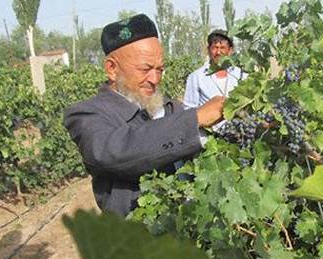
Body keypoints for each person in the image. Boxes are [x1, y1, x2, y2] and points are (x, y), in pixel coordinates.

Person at [64, 14, 225, 217]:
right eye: (145, 69)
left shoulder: (170, 107)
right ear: (112, 68)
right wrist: (195, 119)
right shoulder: (87, 114)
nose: (155, 79)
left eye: (160, 70)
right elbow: (117, 151)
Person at [183, 30, 246, 109]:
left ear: (230, 51)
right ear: (209, 50)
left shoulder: (241, 76)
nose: (218, 52)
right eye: (215, 48)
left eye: (222, 48)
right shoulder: (196, 77)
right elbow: (189, 110)